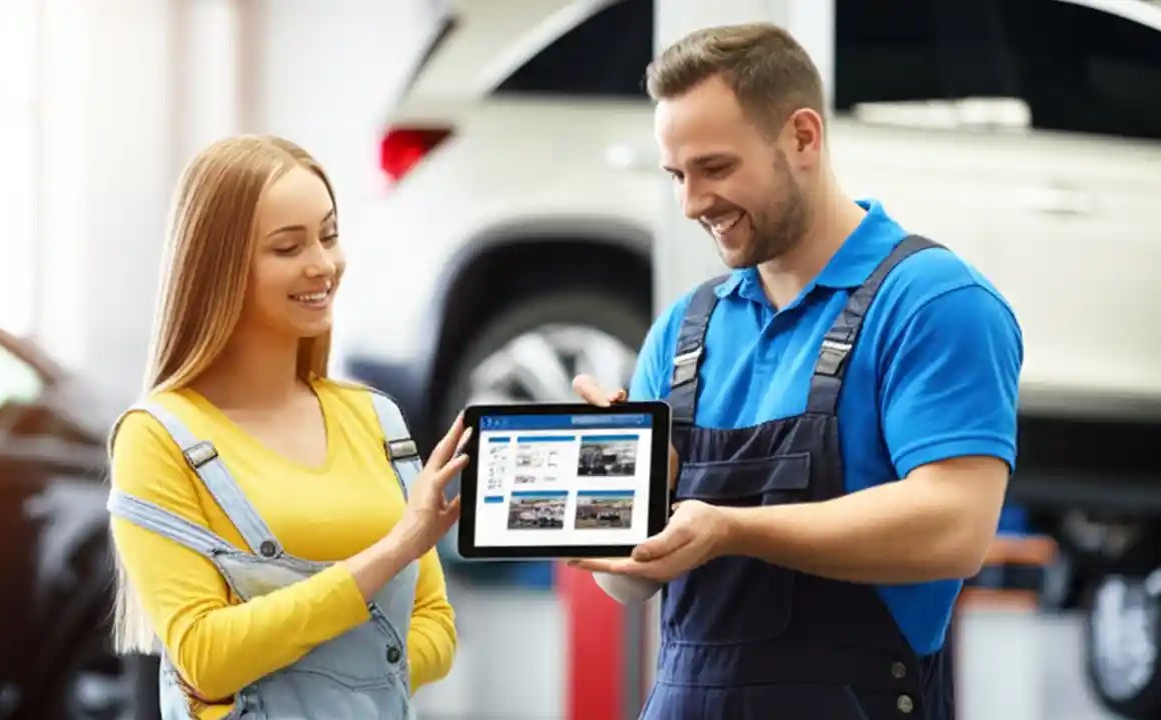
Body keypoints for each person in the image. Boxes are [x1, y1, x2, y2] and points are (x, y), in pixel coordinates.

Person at [569, 23, 1022, 720]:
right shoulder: (685, 331)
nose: (692, 203)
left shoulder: (933, 302)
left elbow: (955, 528)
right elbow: (628, 586)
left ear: (803, 138)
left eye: (715, 168)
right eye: (677, 175)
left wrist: (733, 528)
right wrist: (609, 485)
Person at [105, 134, 467, 720]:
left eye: (328, 234)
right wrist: (395, 551)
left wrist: (306, 683)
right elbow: (205, 656)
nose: (322, 265)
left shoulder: (376, 419)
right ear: (219, 267)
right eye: (287, 246)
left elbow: (437, 627)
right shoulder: (156, 438)